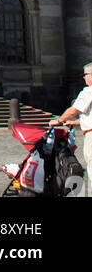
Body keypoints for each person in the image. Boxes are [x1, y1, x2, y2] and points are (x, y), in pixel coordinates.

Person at [48, 61, 92, 194]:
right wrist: (76, 123)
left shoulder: (88, 91)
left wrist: (59, 120)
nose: (84, 78)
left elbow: (74, 110)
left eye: (85, 75)